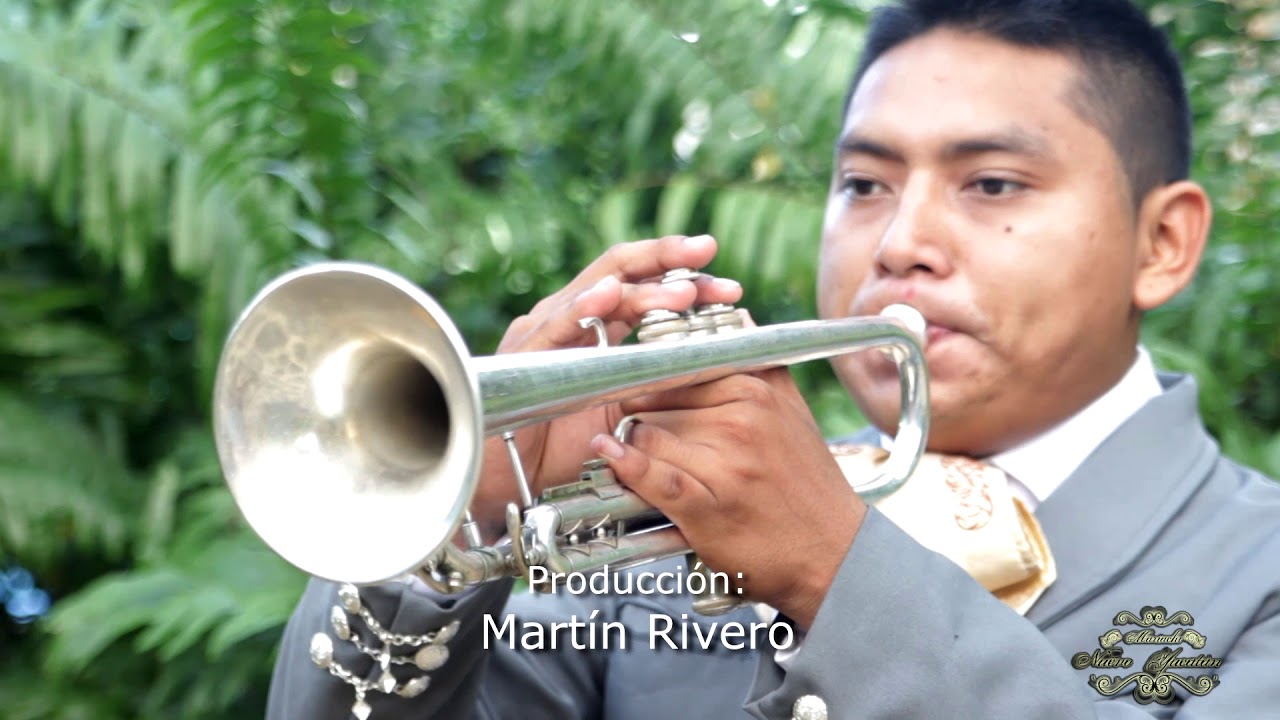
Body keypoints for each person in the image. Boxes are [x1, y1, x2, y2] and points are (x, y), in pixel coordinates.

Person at [266, 0, 1280, 717]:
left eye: (992, 184)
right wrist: (462, 523)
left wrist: (835, 569)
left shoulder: (1260, 573)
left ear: (1162, 242)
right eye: (864, 184)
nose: (899, 243)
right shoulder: (655, 526)